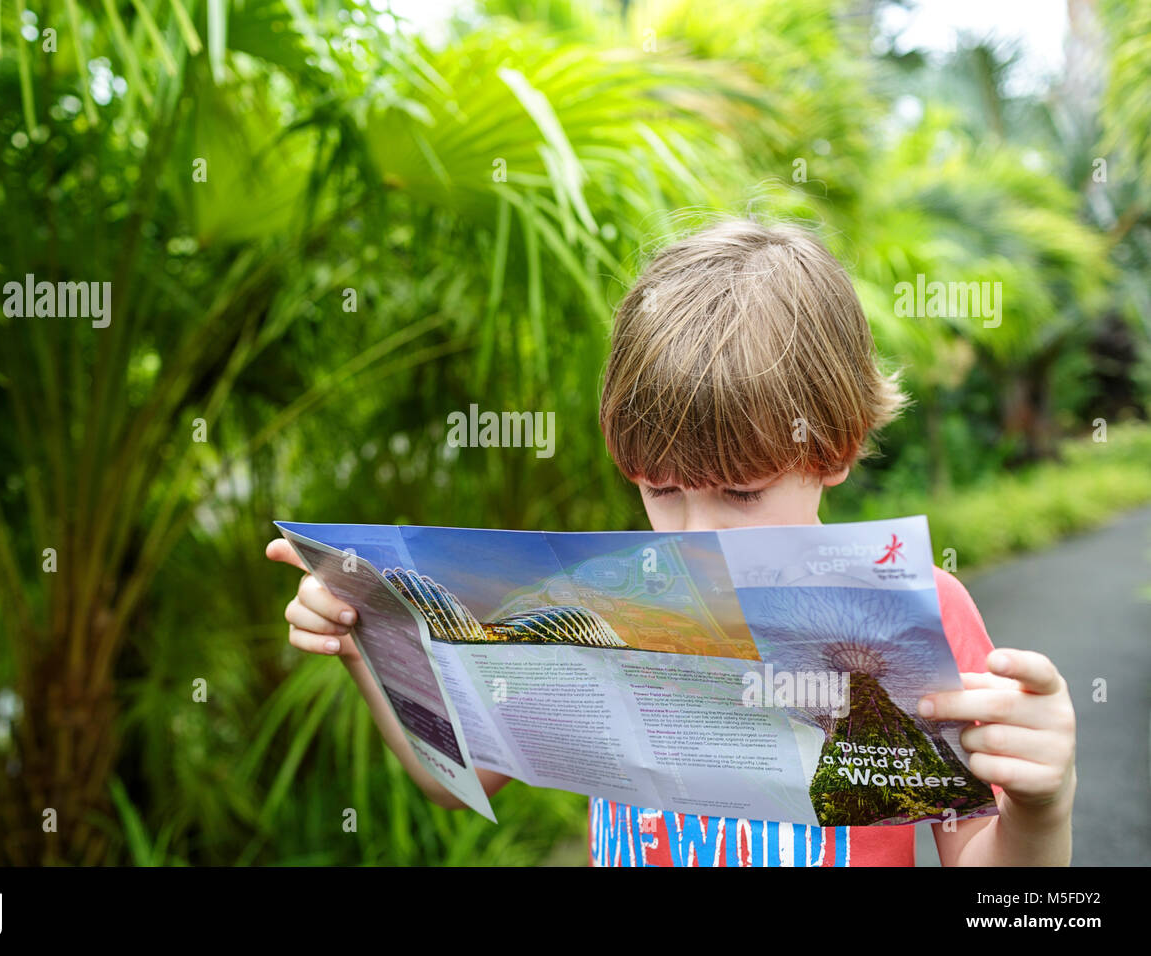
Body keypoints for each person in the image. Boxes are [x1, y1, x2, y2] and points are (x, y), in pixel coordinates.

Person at [267, 217, 1077, 866]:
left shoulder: (920, 612)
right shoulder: (592, 601)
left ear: (832, 449)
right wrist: (365, 643)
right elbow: (457, 781)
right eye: (662, 490)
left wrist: (1042, 805)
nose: (697, 534)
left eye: (740, 492)